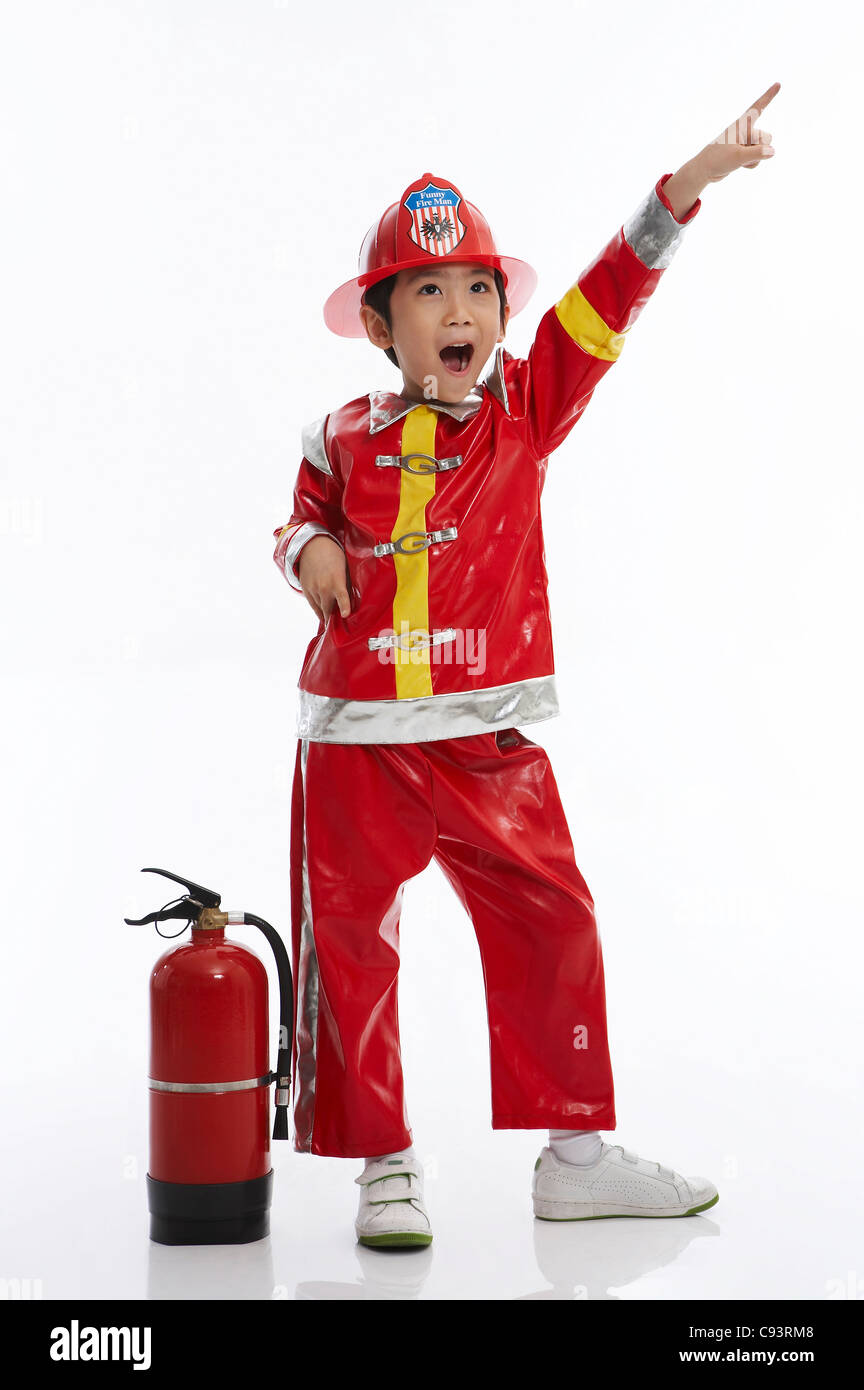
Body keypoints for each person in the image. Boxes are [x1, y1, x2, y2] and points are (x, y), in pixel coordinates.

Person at [272, 84, 779, 1247]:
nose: (461, 308)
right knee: (351, 945)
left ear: (502, 312)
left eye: (479, 289)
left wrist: (689, 185)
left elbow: (608, 297)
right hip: (354, 741)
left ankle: (577, 1159)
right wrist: (307, 551)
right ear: (382, 325)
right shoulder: (338, 436)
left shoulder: (527, 408)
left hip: (485, 739)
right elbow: (295, 521)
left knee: (554, 918)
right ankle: (384, 1166)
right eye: (429, 291)